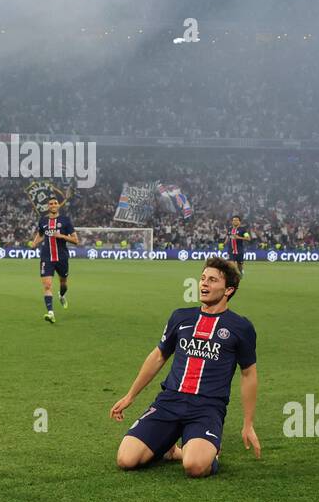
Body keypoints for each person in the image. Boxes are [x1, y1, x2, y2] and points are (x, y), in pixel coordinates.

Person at [110, 258, 260, 478]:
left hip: (207, 406)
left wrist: (248, 424)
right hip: (170, 401)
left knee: (195, 467)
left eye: (212, 280)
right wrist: (130, 395)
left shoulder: (241, 327)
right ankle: (172, 450)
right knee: (126, 460)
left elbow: (249, 374)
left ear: (228, 289)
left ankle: (210, 453)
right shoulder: (181, 317)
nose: (204, 284)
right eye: (202, 278)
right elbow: (158, 356)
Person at [27, 197, 76, 324]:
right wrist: (34, 243)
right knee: (47, 285)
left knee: (63, 283)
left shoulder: (65, 220)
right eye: (51, 204)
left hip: (62, 257)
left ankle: (62, 295)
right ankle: (50, 313)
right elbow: (41, 234)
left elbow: (76, 240)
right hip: (46, 257)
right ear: (48, 207)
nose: (53, 205)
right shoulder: (43, 220)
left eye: (55, 203)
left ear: (58, 205)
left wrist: (62, 236)